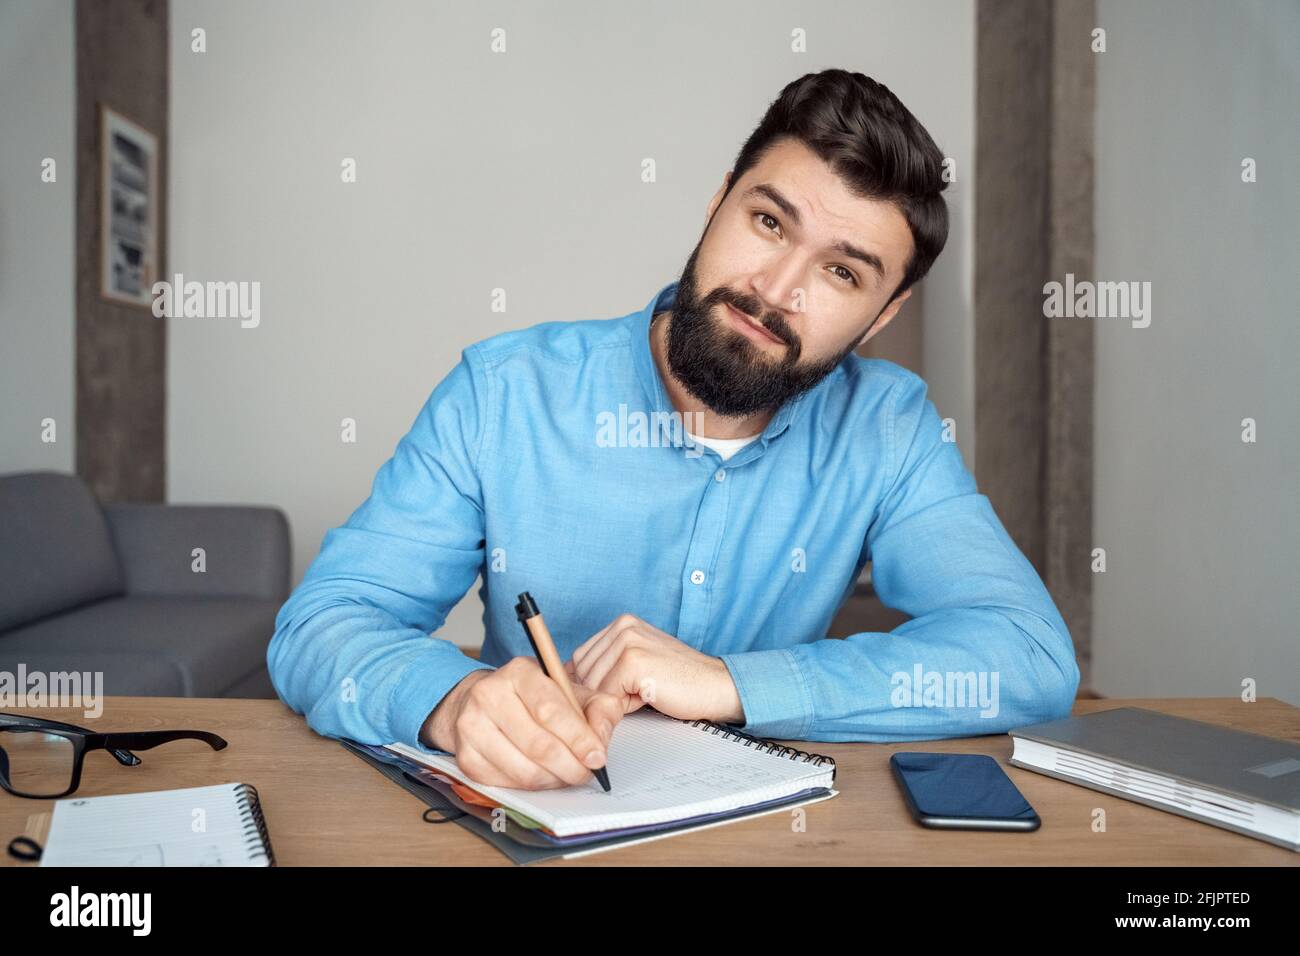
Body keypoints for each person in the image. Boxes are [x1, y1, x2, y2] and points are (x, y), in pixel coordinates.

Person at [269, 69, 1079, 791]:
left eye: (841, 271)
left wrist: (732, 684)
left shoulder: (890, 427)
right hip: (531, 820)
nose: (776, 289)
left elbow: (1029, 656)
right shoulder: (504, 395)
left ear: (884, 313)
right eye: (768, 222)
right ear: (718, 200)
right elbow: (322, 624)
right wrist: (450, 700)